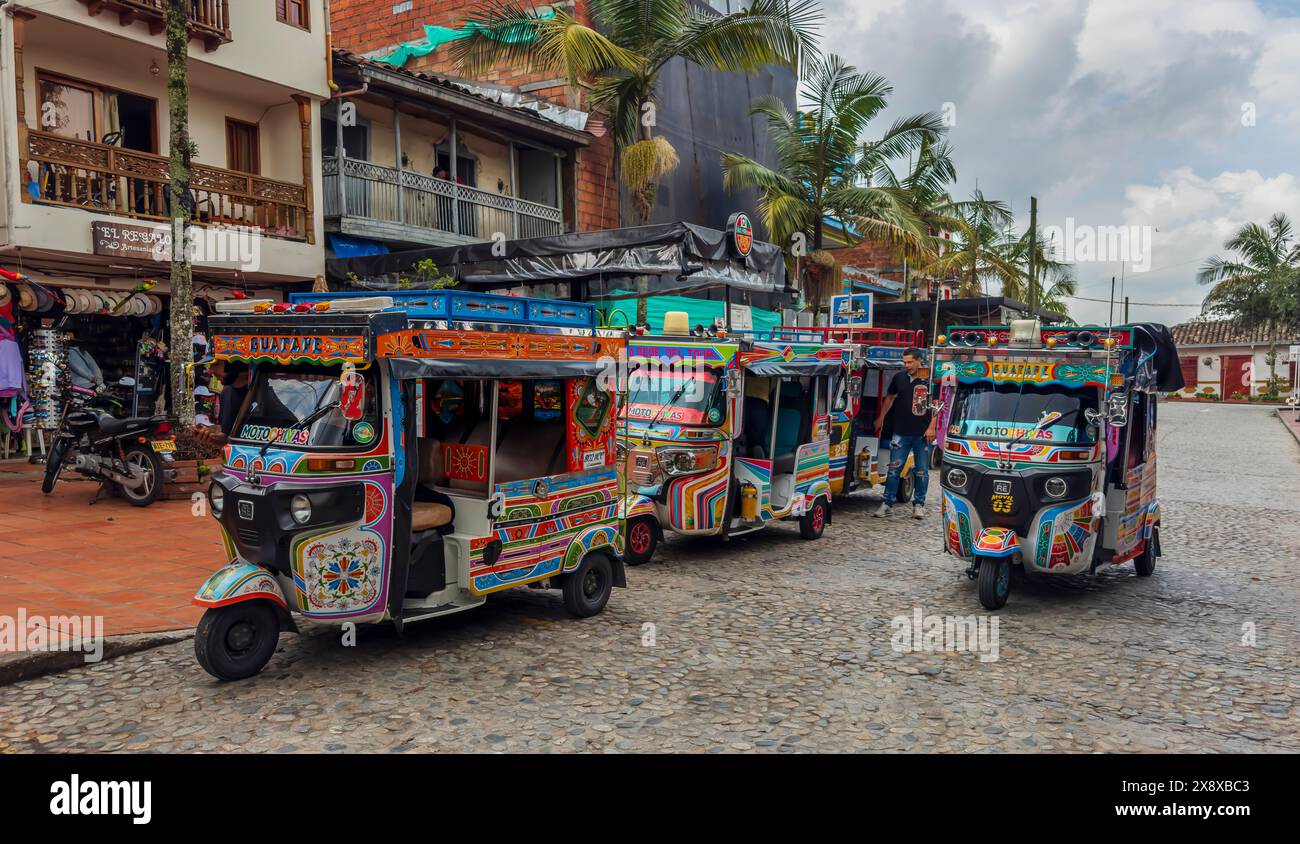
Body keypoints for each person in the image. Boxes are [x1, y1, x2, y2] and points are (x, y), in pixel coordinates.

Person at [873, 347, 935, 519]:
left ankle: (919, 505)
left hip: (922, 434)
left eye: (909, 362)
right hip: (900, 432)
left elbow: (938, 404)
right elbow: (890, 397)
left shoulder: (929, 378)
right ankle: (887, 503)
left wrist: (932, 427)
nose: (906, 365)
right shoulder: (899, 377)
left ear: (918, 360)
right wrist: (881, 418)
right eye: (904, 362)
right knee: (893, 470)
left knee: (922, 471)